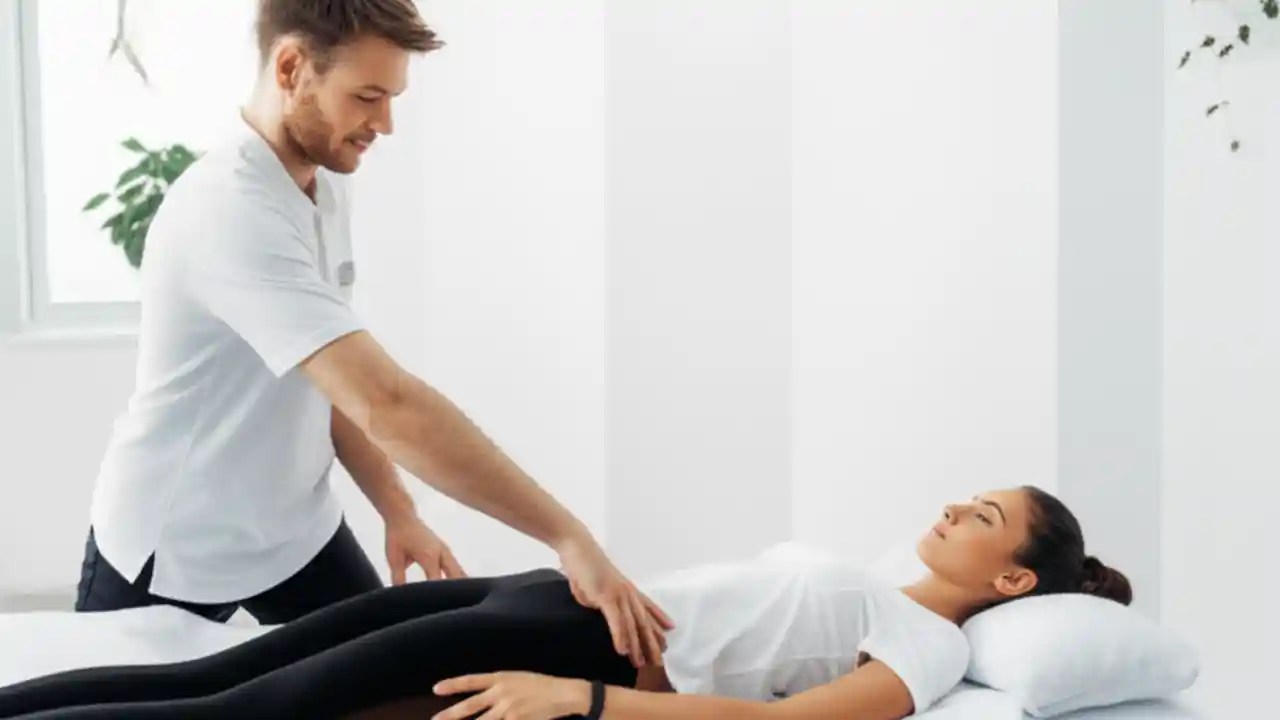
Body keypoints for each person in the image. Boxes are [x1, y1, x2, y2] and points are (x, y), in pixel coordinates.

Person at [76, 0, 671, 668]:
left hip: (292, 532)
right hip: (171, 545)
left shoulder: (321, 185)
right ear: (292, 66)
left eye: (391, 97)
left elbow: (329, 385)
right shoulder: (228, 212)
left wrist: (397, 510)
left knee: (396, 687)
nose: (383, 124)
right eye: (367, 96)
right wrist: (567, 536)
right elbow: (385, 402)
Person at [1, 486, 1132, 720]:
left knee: (239, 713)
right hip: (546, 592)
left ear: (1013, 580)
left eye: (984, 517)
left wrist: (578, 705)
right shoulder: (881, 570)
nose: (953, 507)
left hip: (563, 642)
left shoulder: (928, 648)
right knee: (210, 672)